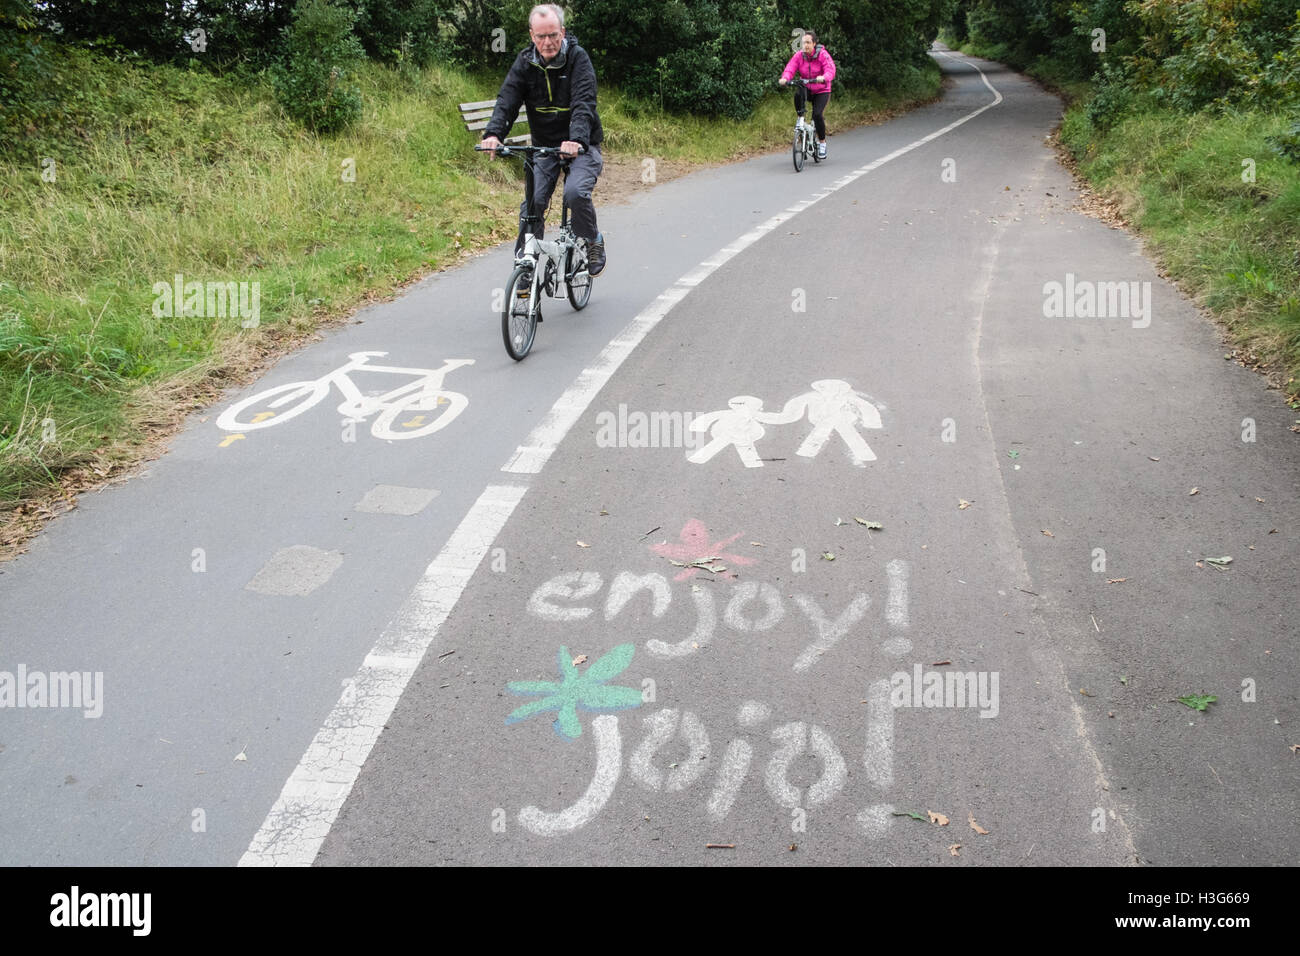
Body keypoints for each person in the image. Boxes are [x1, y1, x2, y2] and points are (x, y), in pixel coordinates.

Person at [480, 4, 606, 276]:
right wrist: (493, 134)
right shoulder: (525, 62)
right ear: (531, 35)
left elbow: (584, 103)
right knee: (533, 202)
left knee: (575, 193)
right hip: (546, 146)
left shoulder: (578, 59)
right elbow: (508, 99)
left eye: (552, 35)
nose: (547, 43)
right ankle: (524, 267)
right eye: (540, 36)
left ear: (562, 32)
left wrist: (576, 140)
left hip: (581, 145)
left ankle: (593, 239)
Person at [779, 31, 836, 160]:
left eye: (808, 42)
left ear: (814, 44)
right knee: (798, 95)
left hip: (822, 90)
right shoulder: (799, 56)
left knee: (817, 115)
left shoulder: (822, 54)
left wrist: (824, 77)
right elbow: (790, 68)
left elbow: (830, 69)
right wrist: (785, 78)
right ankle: (801, 121)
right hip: (807, 88)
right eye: (803, 43)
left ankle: (822, 143)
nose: (806, 45)